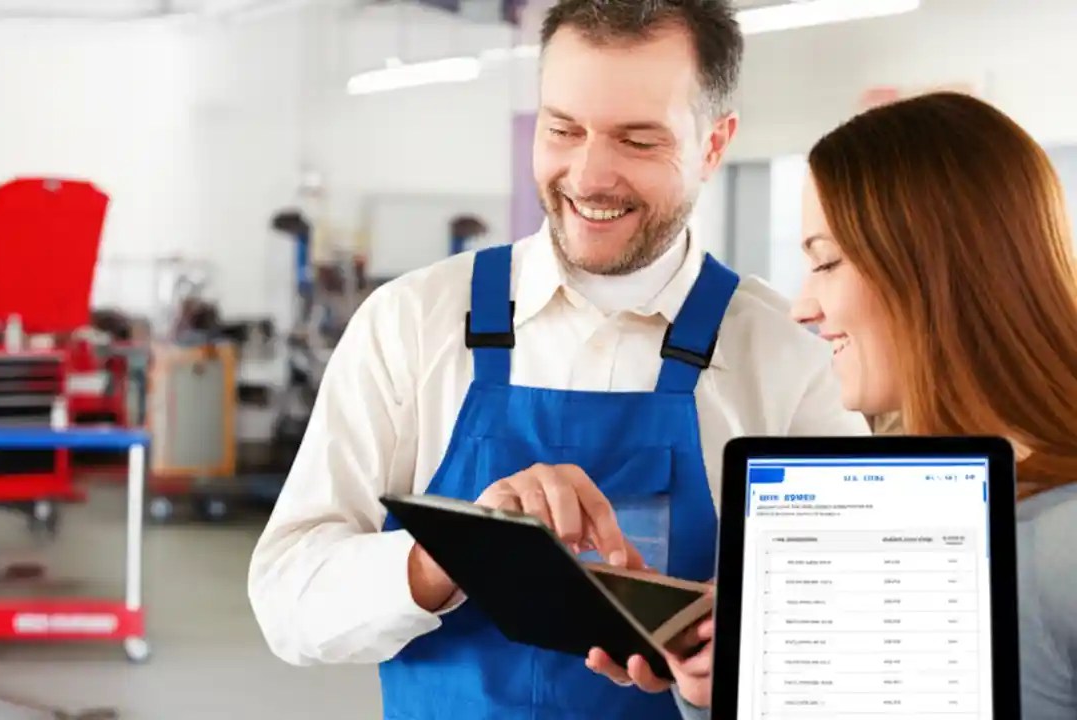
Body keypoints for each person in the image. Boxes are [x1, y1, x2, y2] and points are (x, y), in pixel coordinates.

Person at [247, 1, 868, 718]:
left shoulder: (791, 361)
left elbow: (845, 653)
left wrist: (754, 649)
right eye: (562, 129)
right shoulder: (411, 324)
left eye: (638, 140)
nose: (589, 175)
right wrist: (439, 558)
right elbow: (286, 602)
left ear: (714, 144)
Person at [592, 91, 1077, 718]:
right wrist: (738, 683)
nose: (803, 307)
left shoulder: (1058, 547)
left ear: (932, 272)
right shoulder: (905, 518)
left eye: (827, 262)